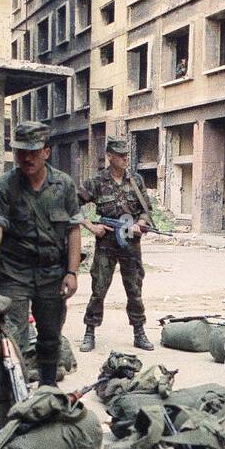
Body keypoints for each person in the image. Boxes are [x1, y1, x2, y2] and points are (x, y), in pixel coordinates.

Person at [0, 121, 83, 387]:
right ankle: (15, 390)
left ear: (46, 151)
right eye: (21, 151)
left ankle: (48, 388)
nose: (26, 158)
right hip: (14, 273)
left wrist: (72, 272)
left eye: (33, 151)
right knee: (12, 336)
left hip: (52, 274)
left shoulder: (64, 185)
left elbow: (73, 230)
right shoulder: (4, 187)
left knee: (50, 335)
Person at [77, 136, 155, 352]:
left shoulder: (135, 181)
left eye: (125, 155)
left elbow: (145, 210)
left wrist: (140, 223)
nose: (124, 159)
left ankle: (139, 332)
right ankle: (90, 332)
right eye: (119, 155)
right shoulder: (96, 182)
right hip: (106, 244)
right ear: (109, 156)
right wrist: (91, 226)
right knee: (99, 289)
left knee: (134, 289)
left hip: (131, 244)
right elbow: (72, 205)